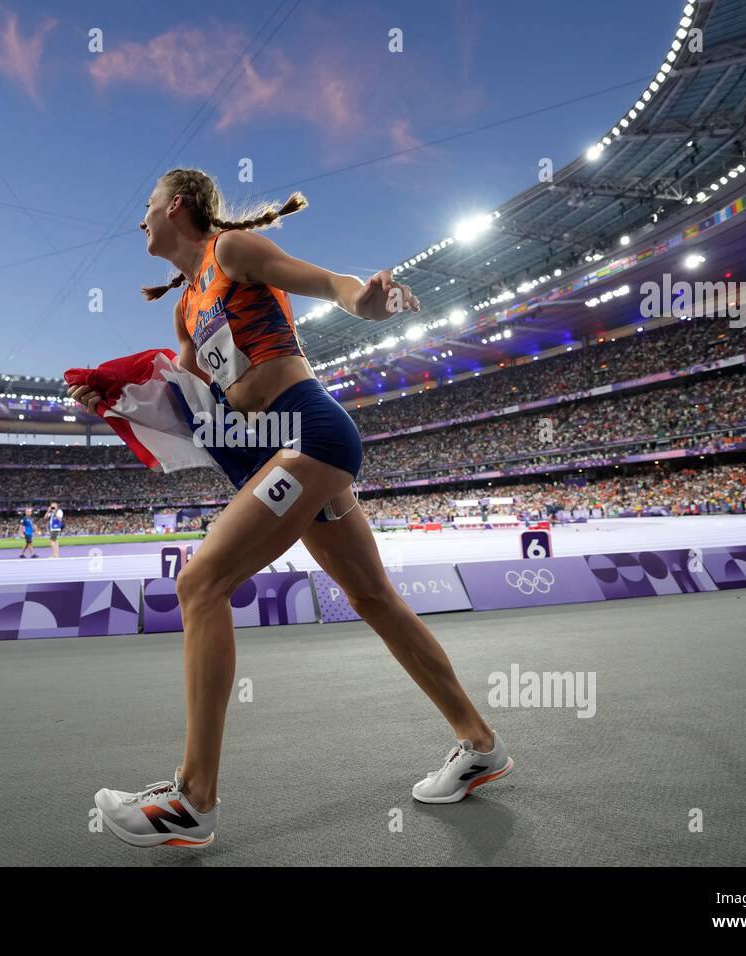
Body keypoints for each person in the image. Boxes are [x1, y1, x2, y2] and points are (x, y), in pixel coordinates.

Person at [71, 168, 509, 848]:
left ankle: (194, 798)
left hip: (309, 431)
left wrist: (362, 300)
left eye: (149, 207)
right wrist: (117, 397)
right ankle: (479, 743)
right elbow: (193, 398)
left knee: (200, 583)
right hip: (275, 445)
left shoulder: (231, 253)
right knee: (373, 598)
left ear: (179, 207)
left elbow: (326, 283)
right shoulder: (185, 306)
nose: (141, 221)